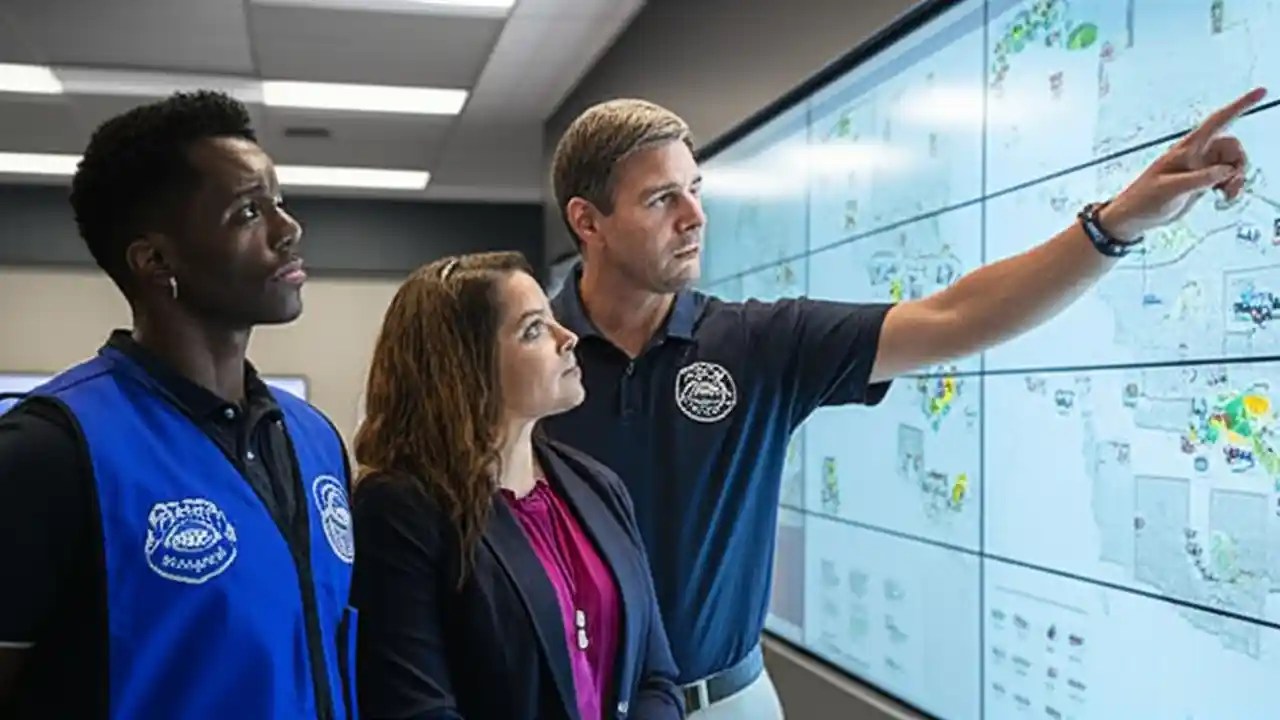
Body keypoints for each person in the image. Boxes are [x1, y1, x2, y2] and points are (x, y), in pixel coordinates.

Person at [539, 87, 1266, 717]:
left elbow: (954, 317)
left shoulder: (756, 342)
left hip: (726, 704)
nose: (694, 216)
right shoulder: (516, 361)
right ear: (588, 221)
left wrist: (1115, 225)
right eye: (662, 198)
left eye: (696, 188)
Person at [0, 91, 358, 719]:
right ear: (156, 260)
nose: (288, 228)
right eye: (249, 212)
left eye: (279, 202)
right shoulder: (50, 452)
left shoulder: (314, 441)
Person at [349, 252, 683, 720]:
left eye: (552, 320)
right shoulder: (399, 508)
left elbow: (656, 677)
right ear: (465, 368)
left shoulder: (597, 486)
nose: (568, 338)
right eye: (533, 329)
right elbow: (416, 708)